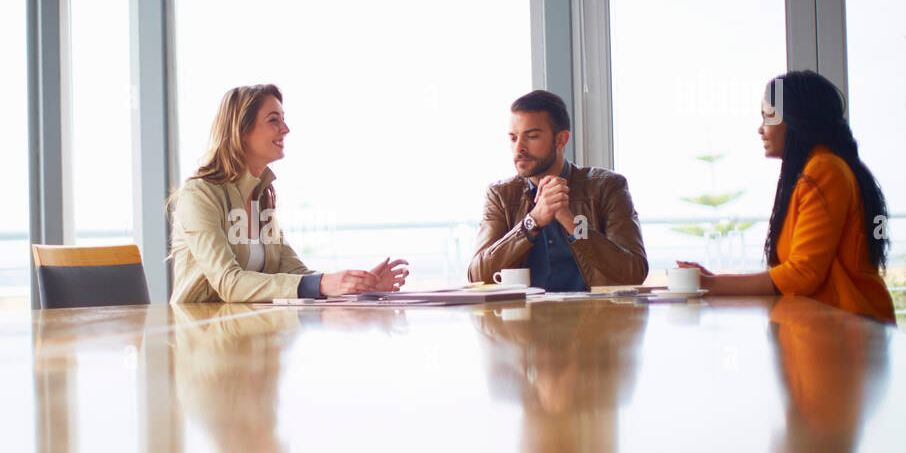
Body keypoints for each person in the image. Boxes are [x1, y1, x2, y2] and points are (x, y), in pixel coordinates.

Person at [678, 71, 895, 323]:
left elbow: (802, 274)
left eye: (768, 116)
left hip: (851, 332)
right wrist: (713, 281)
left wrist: (709, 285)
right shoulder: (819, 168)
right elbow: (795, 273)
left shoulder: (824, 170)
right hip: (831, 326)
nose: (760, 129)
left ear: (797, 119)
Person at [169, 84, 409, 303]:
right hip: (201, 337)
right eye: (274, 120)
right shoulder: (199, 195)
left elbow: (295, 274)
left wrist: (357, 286)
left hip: (246, 332)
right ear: (241, 130)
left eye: (283, 119)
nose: (286, 129)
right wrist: (323, 284)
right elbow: (228, 283)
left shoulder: (260, 198)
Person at [468, 90, 648, 290]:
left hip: (596, 318)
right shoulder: (500, 195)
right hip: (524, 319)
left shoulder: (607, 187)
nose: (519, 148)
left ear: (561, 140)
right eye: (513, 138)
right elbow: (477, 275)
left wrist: (571, 223)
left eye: (532, 136)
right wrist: (532, 222)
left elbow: (633, 273)